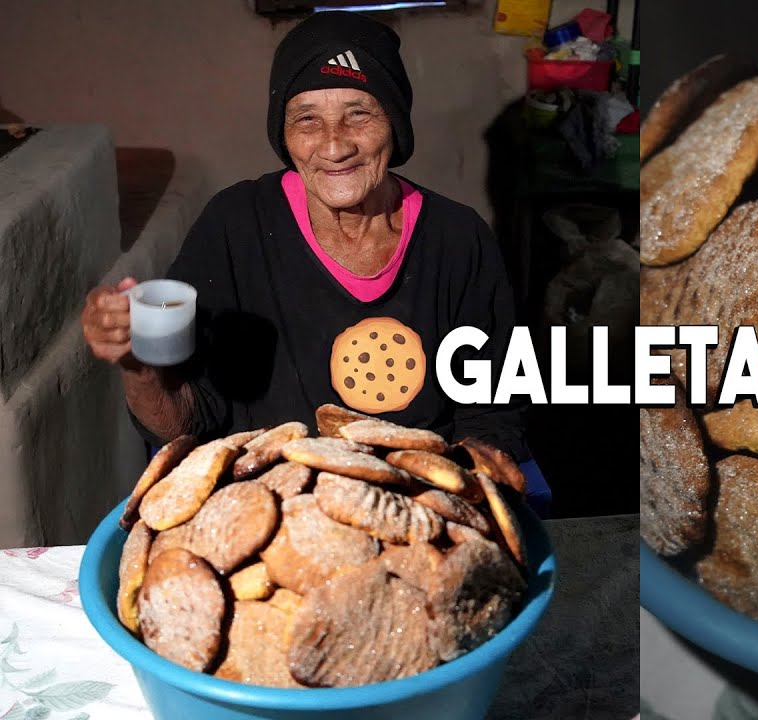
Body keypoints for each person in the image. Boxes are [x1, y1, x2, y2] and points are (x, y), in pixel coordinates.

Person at [80, 11, 527, 462]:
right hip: (270, 500)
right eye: (307, 120)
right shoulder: (237, 227)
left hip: (413, 497)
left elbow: (491, 415)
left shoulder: (458, 238)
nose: (334, 146)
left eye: (358, 114)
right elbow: (185, 423)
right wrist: (138, 364)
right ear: (284, 135)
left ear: (394, 123)